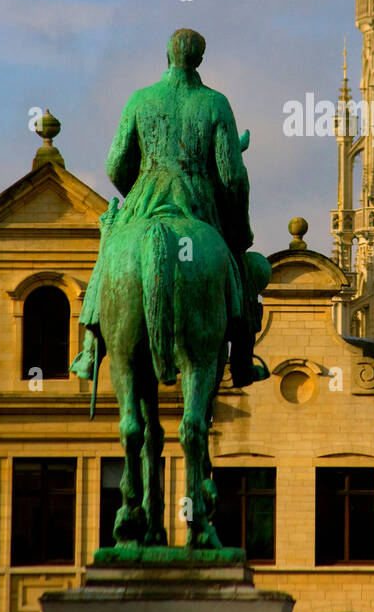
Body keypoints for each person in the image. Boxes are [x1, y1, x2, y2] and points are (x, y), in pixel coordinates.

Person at [70, 27, 268, 389]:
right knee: (242, 270)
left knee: (109, 255)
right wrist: (238, 227)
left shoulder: (140, 99)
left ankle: (89, 350)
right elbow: (232, 176)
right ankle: (242, 362)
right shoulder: (215, 103)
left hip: (144, 201)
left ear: (167, 54)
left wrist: (138, 192)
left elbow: (115, 163)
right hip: (199, 209)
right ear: (200, 60)